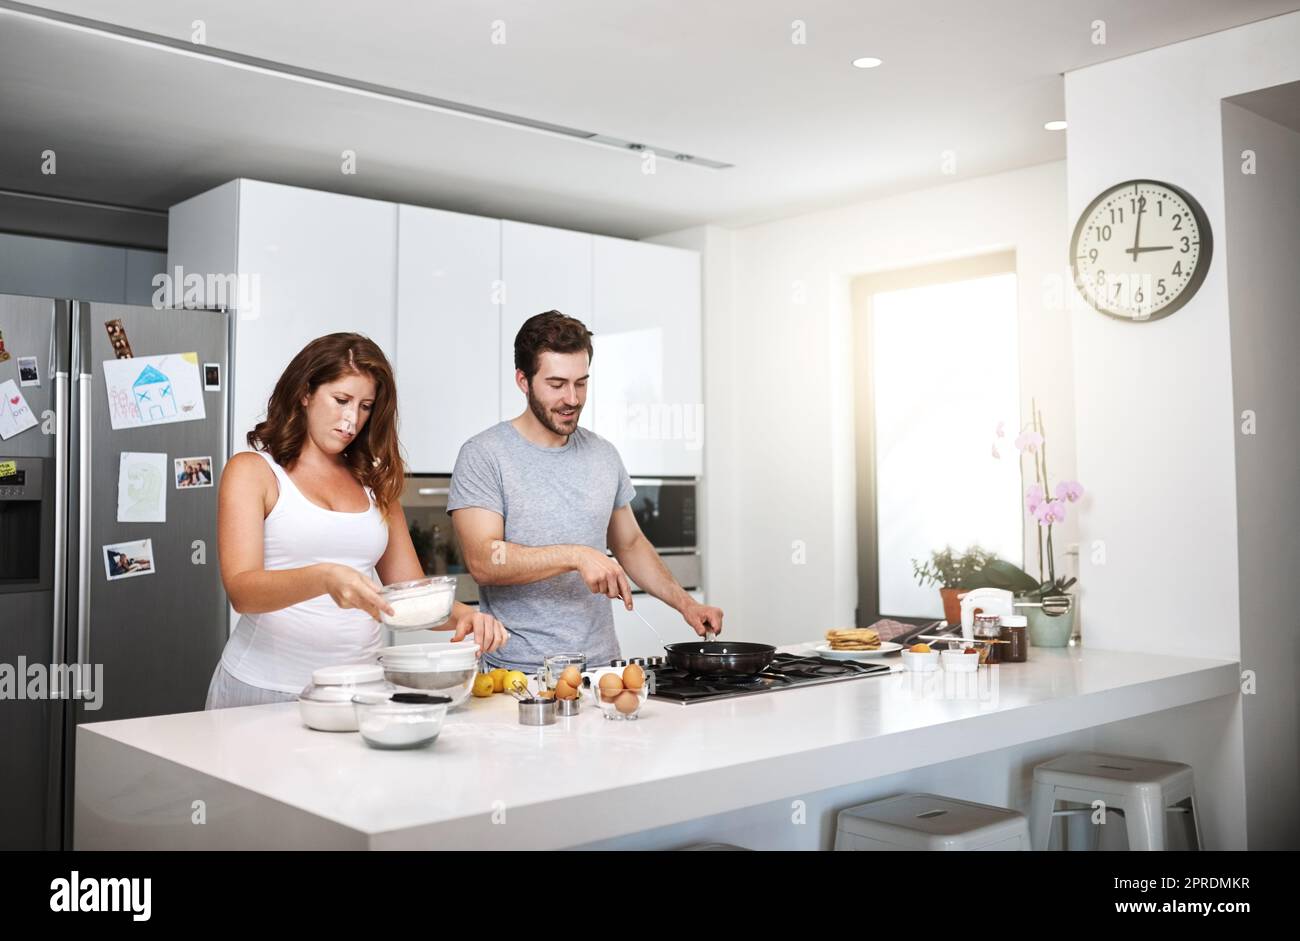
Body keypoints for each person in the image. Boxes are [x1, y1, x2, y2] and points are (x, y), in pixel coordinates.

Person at [206, 333, 508, 709]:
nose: (352, 420)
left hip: (358, 690)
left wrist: (466, 615)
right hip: (265, 687)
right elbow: (242, 592)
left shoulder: (375, 483)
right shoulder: (253, 472)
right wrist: (325, 577)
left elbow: (408, 594)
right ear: (304, 392)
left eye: (365, 406)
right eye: (341, 400)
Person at [449, 311, 723, 673]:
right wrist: (576, 555)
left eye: (581, 383)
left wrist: (686, 604)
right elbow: (484, 560)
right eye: (557, 384)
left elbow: (630, 545)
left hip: (603, 670)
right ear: (523, 380)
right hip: (519, 673)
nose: (572, 398)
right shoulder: (485, 455)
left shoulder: (603, 454)